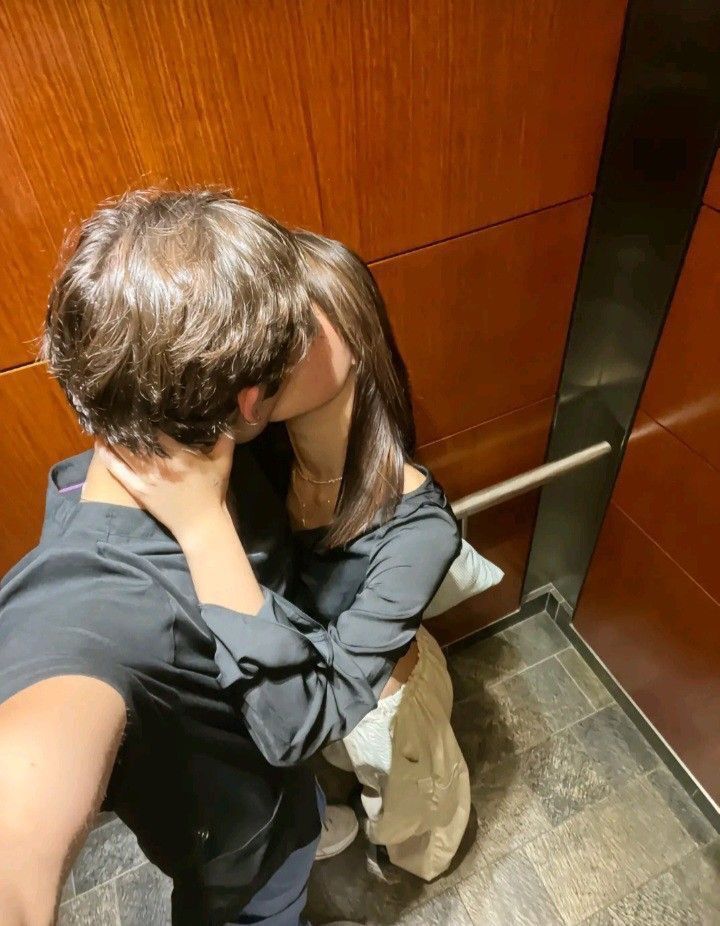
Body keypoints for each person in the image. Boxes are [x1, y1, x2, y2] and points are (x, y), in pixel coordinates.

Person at [0, 189, 456, 925]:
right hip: (238, 849)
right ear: (252, 397)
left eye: (293, 324)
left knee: (314, 816)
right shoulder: (107, 578)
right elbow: (22, 809)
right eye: (274, 336)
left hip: (292, 771)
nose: (281, 344)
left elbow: (308, 704)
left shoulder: (258, 465)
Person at [99, 229, 471, 882]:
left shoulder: (419, 527)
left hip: (386, 704)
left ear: (354, 335)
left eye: (287, 333)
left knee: (414, 824)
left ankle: (416, 863)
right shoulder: (253, 456)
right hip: (306, 694)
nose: (255, 356)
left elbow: (310, 712)